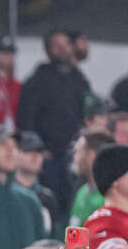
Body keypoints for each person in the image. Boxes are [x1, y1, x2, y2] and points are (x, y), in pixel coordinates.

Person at [17, 30, 92, 204]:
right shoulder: (37, 80)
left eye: (65, 44)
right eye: (56, 45)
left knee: (72, 200)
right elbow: (25, 118)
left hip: (73, 154)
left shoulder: (79, 80)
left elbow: (86, 116)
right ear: (47, 50)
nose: (62, 49)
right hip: (46, 155)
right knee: (49, 200)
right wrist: (36, 148)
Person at [14, 130, 62, 240]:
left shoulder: (47, 197)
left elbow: (55, 237)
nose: (36, 156)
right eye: (28, 150)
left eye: (39, 151)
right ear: (15, 154)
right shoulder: (5, 194)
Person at [68, 130, 113, 227]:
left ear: (91, 156)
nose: (75, 158)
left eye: (78, 152)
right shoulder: (82, 191)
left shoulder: (110, 199)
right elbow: (74, 238)